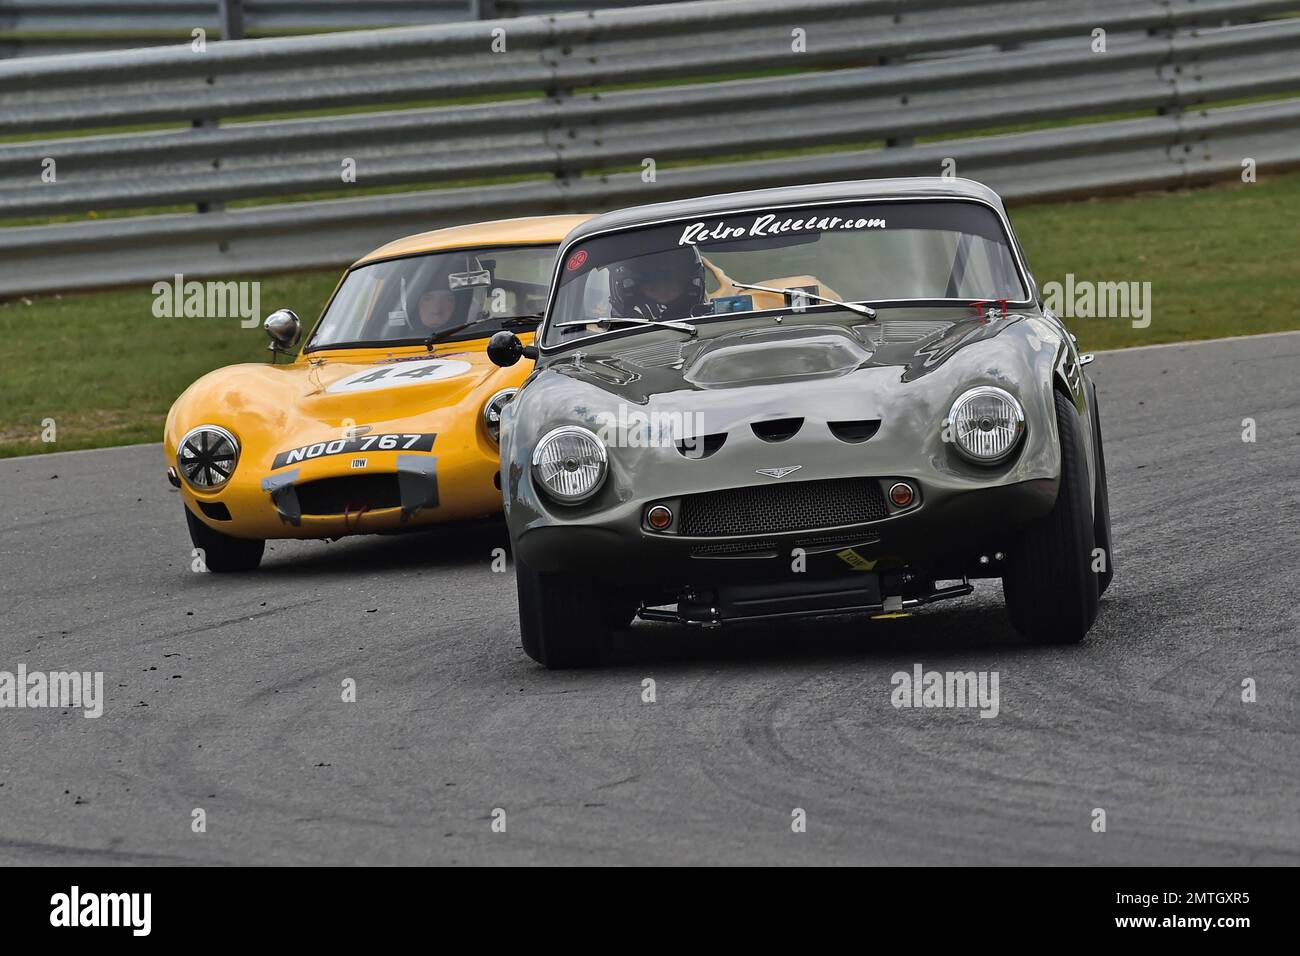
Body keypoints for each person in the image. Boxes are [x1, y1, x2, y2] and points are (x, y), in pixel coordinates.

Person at [608, 246, 706, 322]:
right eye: (653, 289)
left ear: (687, 289)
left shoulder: (705, 316)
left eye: (672, 289)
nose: (663, 295)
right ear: (637, 290)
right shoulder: (616, 324)